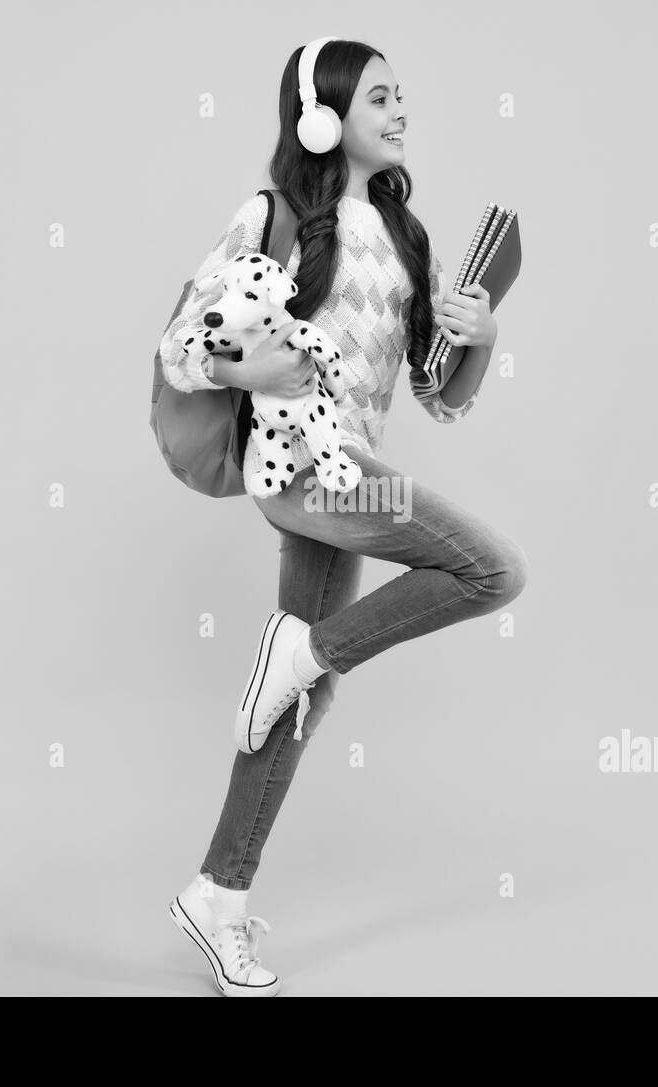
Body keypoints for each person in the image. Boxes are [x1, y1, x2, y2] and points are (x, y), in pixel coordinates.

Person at [158, 37, 528, 997]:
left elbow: (437, 395)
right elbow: (179, 346)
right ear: (322, 114)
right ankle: (304, 655)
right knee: (491, 571)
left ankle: (217, 895)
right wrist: (255, 368)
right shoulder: (273, 215)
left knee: (292, 706)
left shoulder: (405, 237)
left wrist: (477, 339)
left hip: (352, 468)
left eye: (403, 94)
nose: (401, 109)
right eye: (379, 95)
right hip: (305, 472)